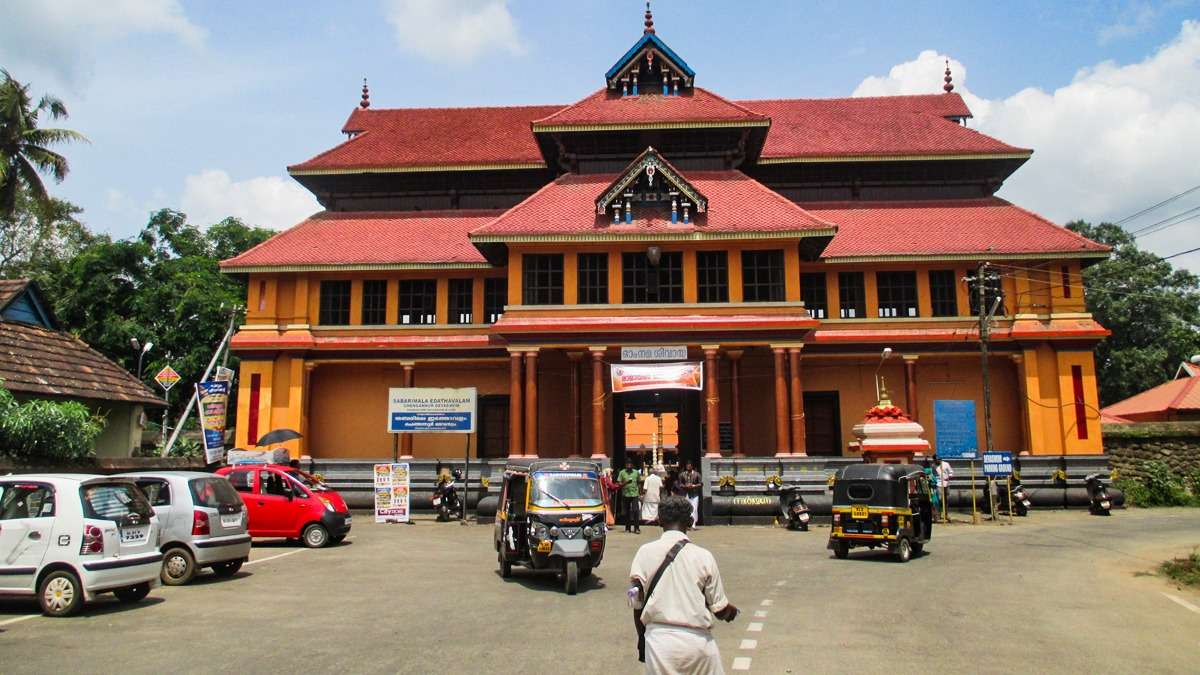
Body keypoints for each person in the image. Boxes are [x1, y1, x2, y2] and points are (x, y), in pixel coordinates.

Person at [629, 496, 738, 674]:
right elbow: (719, 609)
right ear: (690, 520)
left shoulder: (644, 553)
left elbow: (636, 603)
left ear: (659, 520)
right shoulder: (703, 556)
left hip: (659, 643)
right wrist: (731, 612)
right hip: (698, 643)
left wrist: (641, 638)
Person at [617, 459, 643, 534]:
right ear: (625, 465)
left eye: (630, 464)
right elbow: (619, 484)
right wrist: (626, 482)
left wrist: (640, 493)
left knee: (635, 511)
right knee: (627, 512)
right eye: (627, 464)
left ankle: (637, 528)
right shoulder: (622, 472)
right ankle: (627, 528)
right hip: (626, 494)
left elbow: (639, 482)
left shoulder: (636, 472)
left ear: (632, 465)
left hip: (634, 494)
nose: (629, 465)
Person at [678, 462, 703, 528]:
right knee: (686, 509)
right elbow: (680, 484)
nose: (688, 467)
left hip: (694, 494)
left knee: (694, 509)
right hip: (685, 493)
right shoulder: (682, 475)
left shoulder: (697, 474)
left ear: (692, 467)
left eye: (689, 466)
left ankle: (693, 524)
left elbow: (701, 484)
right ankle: (687, 523)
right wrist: (685, 486)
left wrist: (694, 485)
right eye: (687, 466)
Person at [935, 455, 954, 522]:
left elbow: (951, 472)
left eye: (939, 460)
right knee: (939, 499)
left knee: (946, 500)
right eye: (936, 460)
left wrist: (948, 477)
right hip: (938, 484)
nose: (938, 461)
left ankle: (946, 514)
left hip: (946, 484)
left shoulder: (946, 464)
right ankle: (938, 515)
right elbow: (933, 474)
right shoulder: (933, 466)